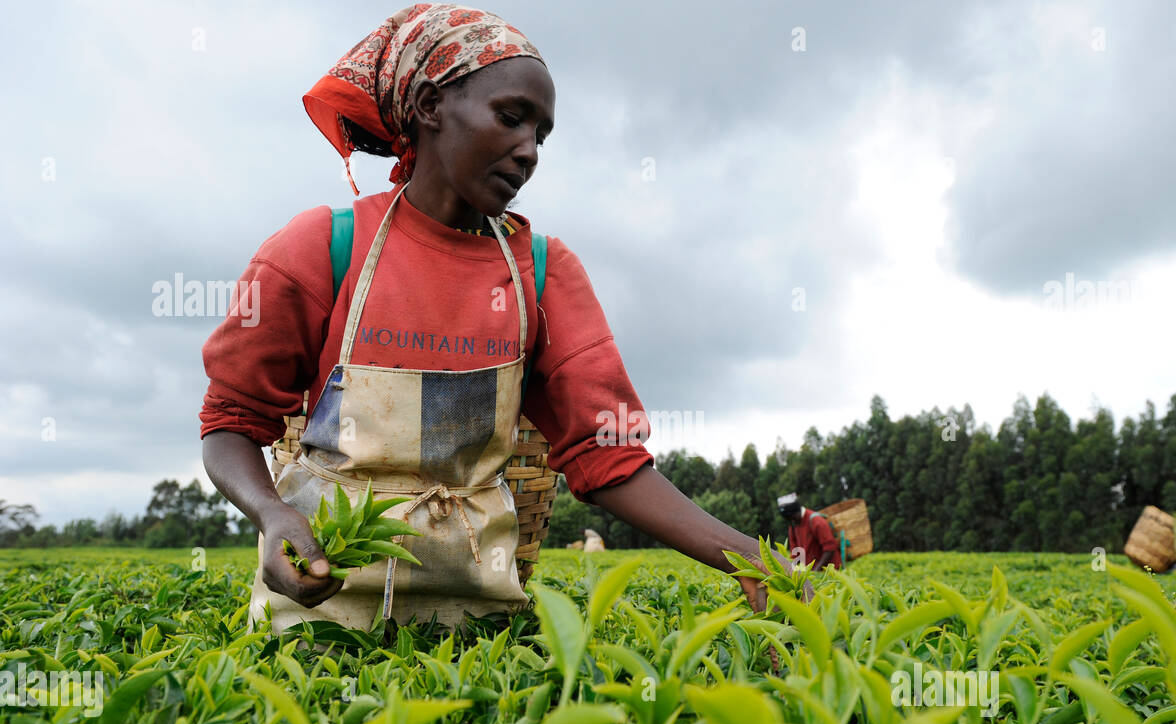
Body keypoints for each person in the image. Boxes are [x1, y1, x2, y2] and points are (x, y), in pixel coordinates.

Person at [198, 3, 792, 635]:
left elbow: (608, 457)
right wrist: (270, 513)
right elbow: (230, 423)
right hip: (316, 622)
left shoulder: (541, 272)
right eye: (512, 118)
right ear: (430, 107)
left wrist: (750, 561)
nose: (529, 151)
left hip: (476, 632)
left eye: (541, 134)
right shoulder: (322, 247)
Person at [777, 493, 843, 571]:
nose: (792, 520)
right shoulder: (793, 526)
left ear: (797, 511)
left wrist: (816, 571)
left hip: (831, 572)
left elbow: (830, 549)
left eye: (793, 517)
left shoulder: (816, 521)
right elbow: (795, 554)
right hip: (811, 574)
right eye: (789, 519)